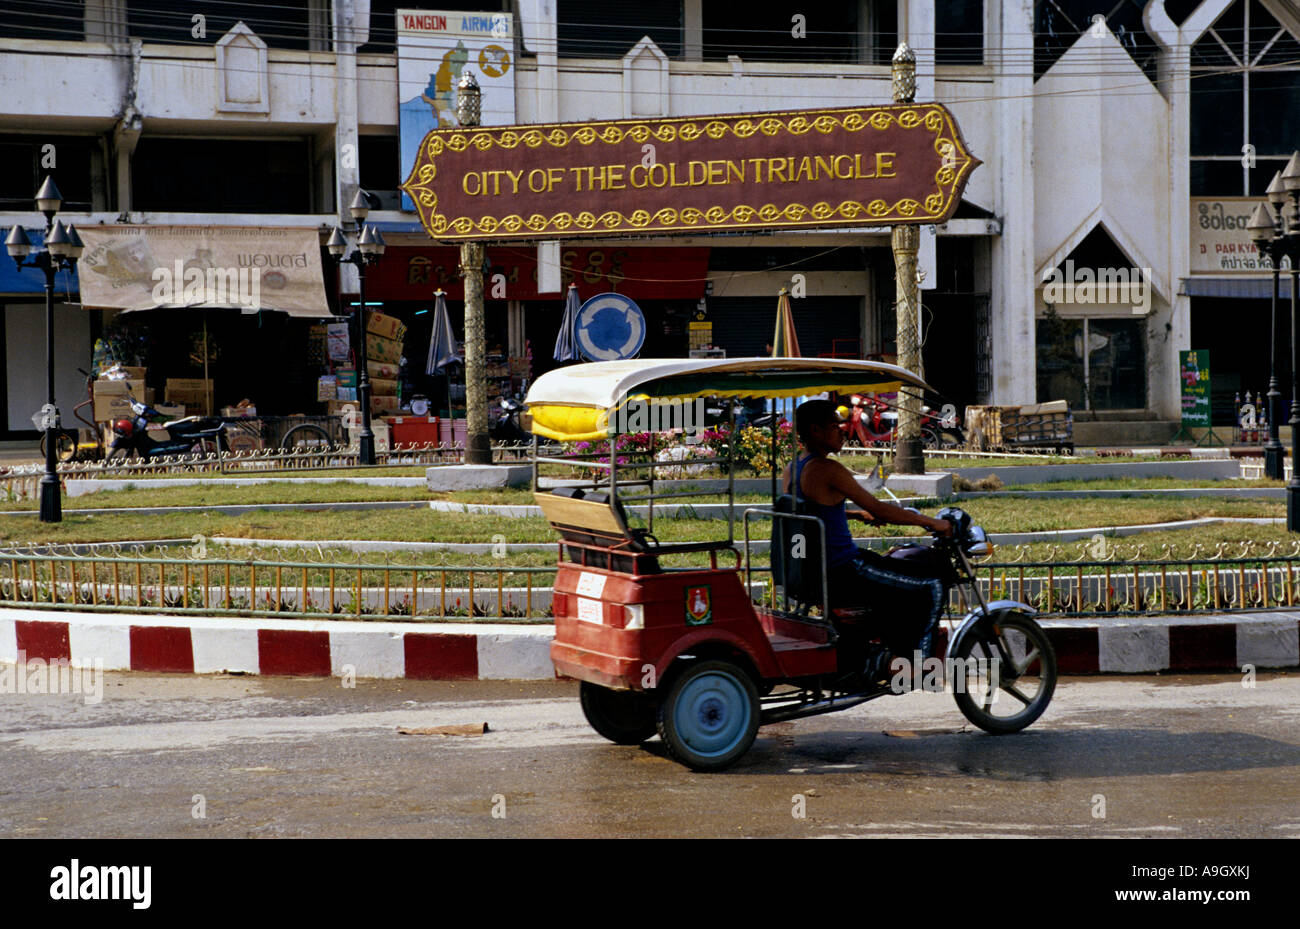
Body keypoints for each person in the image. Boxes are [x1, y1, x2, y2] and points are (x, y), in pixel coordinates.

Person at [779, 399, 952, 666]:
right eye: (834, 426)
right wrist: (932, 522)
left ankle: (885, 647)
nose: (842, 431)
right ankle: (916, 665)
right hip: (843, 567)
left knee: (893, 572)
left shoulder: (792, 469)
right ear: (815, 430)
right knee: (933, 584)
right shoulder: (828, 469)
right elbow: (880, 509)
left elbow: (810, 513)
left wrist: (855, 514)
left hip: (811, 570)